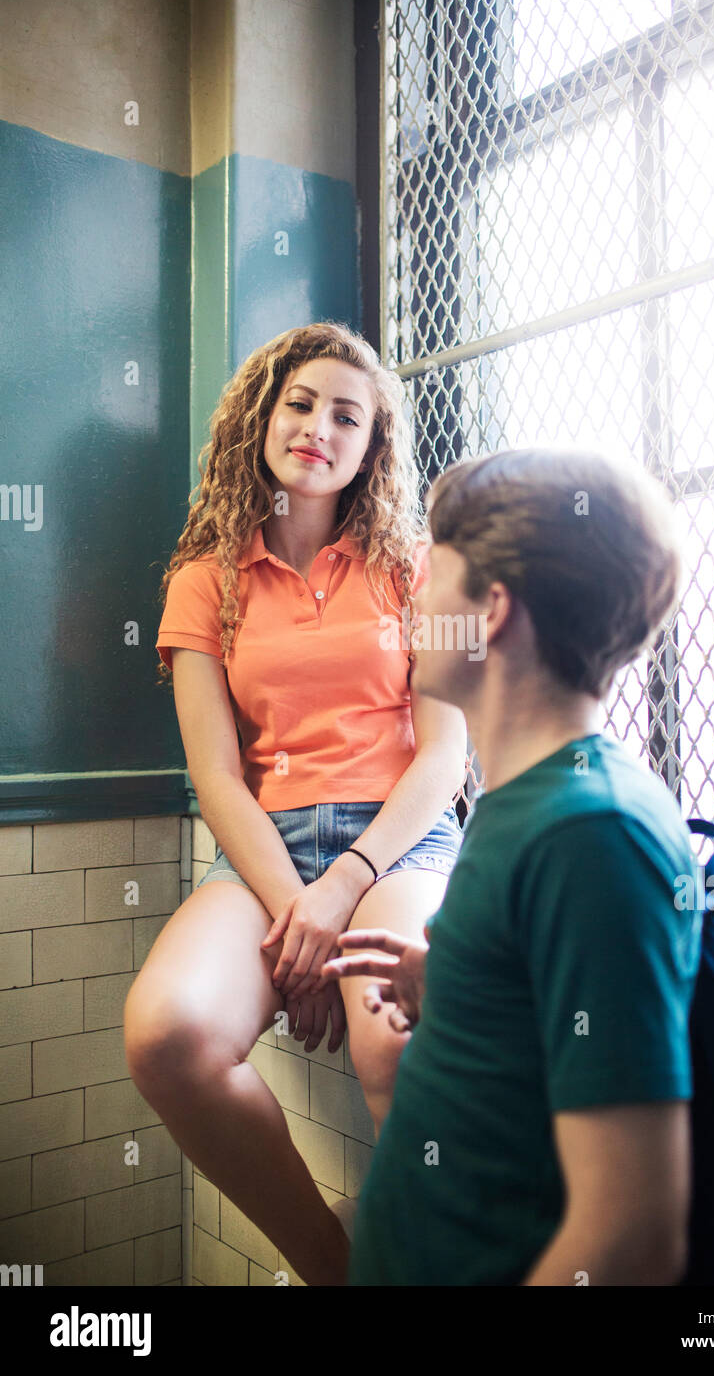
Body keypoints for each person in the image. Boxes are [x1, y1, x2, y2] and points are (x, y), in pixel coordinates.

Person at [123, 323, 468, 1287]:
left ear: (371, 449)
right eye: (302, 403)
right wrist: (293, 909)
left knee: (389, 1029)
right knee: (167, 1034)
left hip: (398, 843)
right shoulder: (206, 581)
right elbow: (219, 778)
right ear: (264, 420)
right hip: (268, 849)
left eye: (347, 416)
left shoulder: (416, 570)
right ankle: (333, 1266)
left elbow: (446, 755)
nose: (319, 427)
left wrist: (341, 893)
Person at [319, 446, 703, 1285]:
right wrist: (454, 980)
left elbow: (631, 1236)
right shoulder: (522, 803)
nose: (410, 601)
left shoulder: (592, 835)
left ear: (491, 609)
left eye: (431, 575)